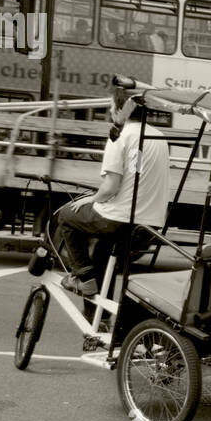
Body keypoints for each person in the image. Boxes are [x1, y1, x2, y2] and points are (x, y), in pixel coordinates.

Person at [51, 84, 170, 295]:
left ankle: (84, 277)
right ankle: (99, 316)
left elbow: (110, 188)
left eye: (111, 105)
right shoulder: (159, 137)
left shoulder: (120, 137)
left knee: (67, 215)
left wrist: (92, 199)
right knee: (102, 253)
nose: (109, 111)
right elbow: (136, 172)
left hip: (120, 220)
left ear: (122, 108)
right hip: (148, 223)